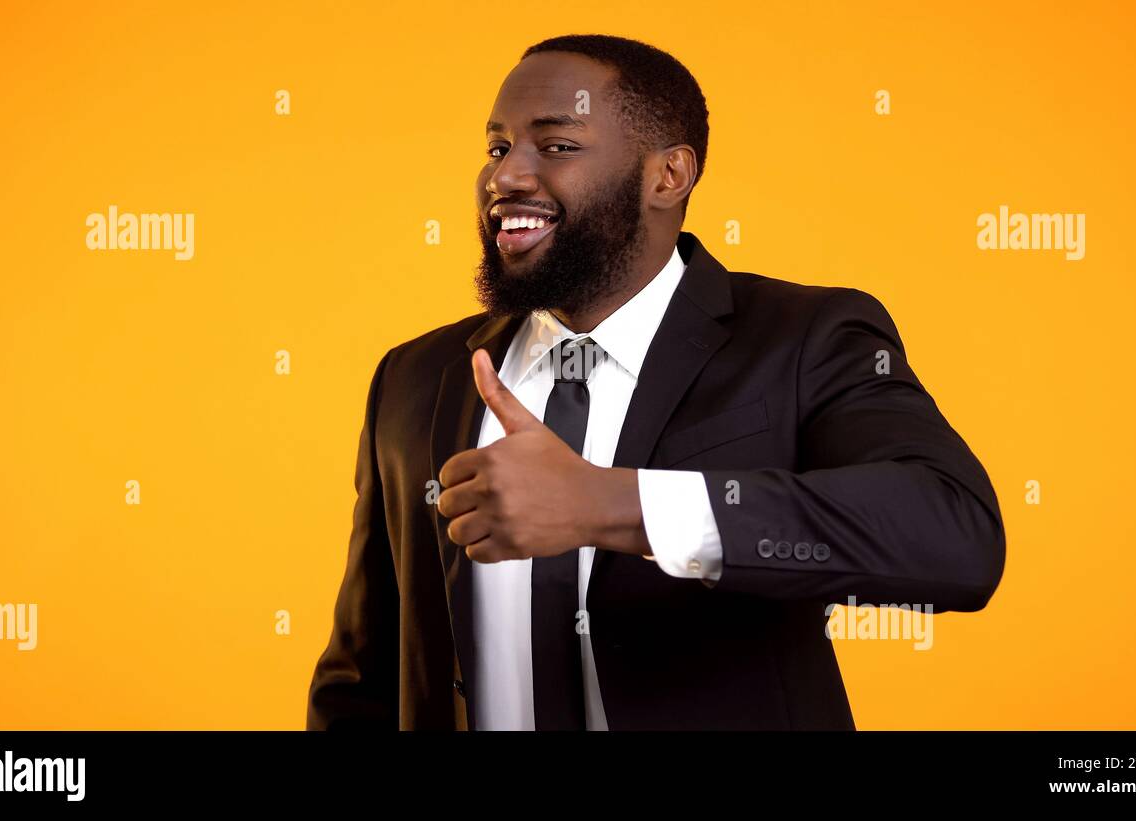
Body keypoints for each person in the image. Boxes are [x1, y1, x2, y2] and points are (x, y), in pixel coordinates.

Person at [307, 34, 1005, 731]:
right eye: (496, 148)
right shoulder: (416, 376)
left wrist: (611, 503)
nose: (505, 177)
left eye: (555, 146)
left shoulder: (804, 338)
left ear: (668, 176)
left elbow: (953, 533)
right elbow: (362, 677)